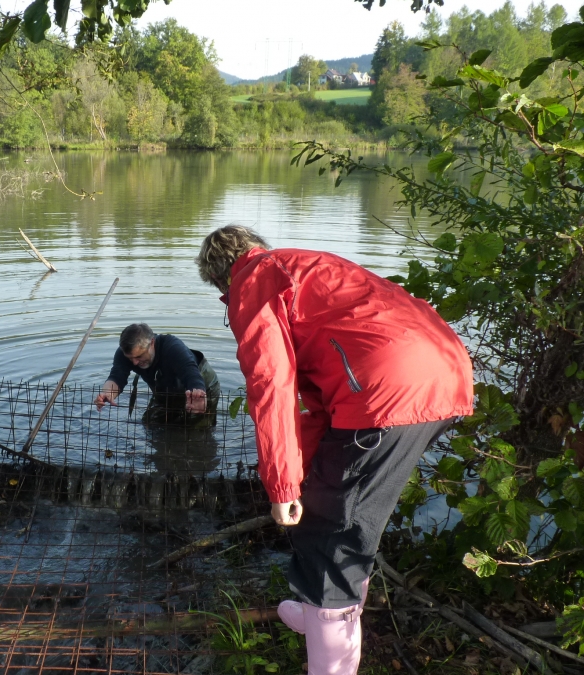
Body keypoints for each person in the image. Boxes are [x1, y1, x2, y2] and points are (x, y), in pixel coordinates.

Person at [195, 226, 474, 675]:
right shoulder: (304, 264)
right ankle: (317, 614)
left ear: (222, 279)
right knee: (344, 507)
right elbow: (324, 400)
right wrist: (301, 475)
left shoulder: (253, 282)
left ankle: (330, 642)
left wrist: (282, 486)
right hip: (444, 369)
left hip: (387, 388)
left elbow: (273, 386)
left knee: (331, 536)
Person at [94, 323, 221, 428]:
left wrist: (198, 393)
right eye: (130, 358)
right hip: (166, 390)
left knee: (193, 434)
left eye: (139, 356)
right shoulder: (123, 354)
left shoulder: (172, 347)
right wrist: (107, 393)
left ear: (152, 343)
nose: (134, 362)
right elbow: (117, 376)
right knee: (151, 424)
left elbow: (190, 372)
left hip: (201, 388)